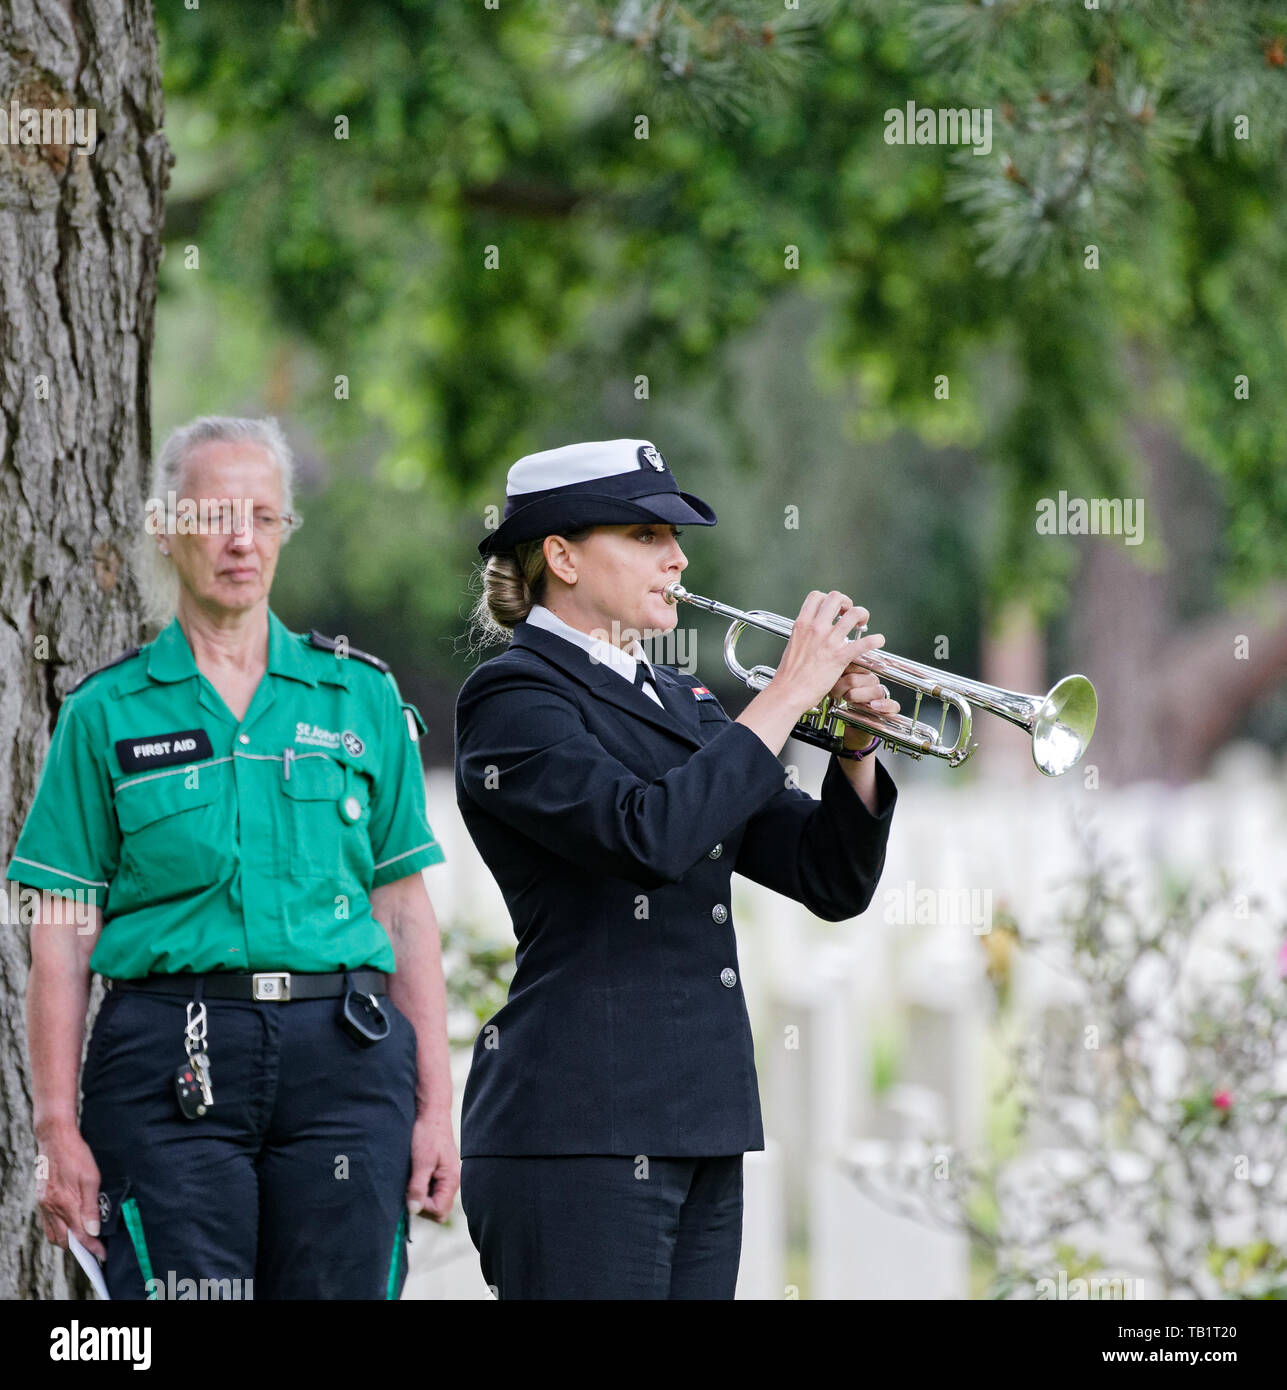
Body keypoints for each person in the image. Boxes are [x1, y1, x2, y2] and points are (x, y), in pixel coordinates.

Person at [9, 415, 458, 1300]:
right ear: (167, 529)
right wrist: (57, 1127)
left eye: (263, 516)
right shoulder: (106, 713)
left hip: (345, 1064)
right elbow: (59, 934)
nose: (241, 540)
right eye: (216, 516)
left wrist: (436, 1108)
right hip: (166, 1066)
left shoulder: (360, 695)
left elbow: (402, 913)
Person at [454, 437, 899, 1299]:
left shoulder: (685, 703)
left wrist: (853, 748)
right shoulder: (514, 698)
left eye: (676, 538)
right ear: (562, 556)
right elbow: (644, 836)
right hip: (575, 1130)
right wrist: (786, 694)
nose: (677, 558)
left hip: (699, 1119)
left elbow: (829, 880)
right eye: (646, 535)